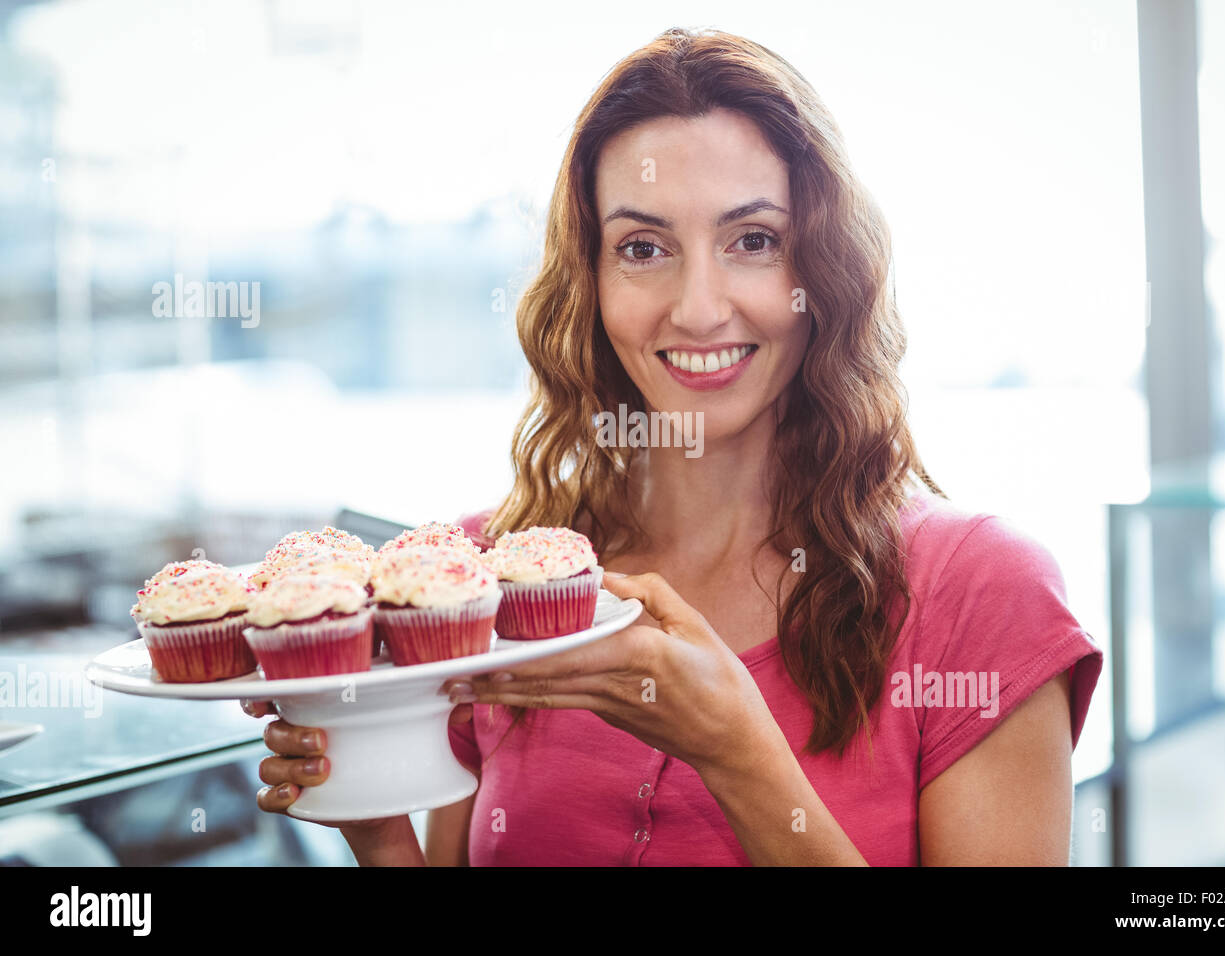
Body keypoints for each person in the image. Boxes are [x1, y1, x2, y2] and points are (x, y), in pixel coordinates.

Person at [246, 27, 1102, 866]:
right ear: (590, 283)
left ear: (825, 271)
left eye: (754, 241)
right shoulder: (486, 581)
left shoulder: (983, 595)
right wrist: (374, 822)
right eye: (643, 248)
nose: (698, 308)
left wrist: (736, 751)